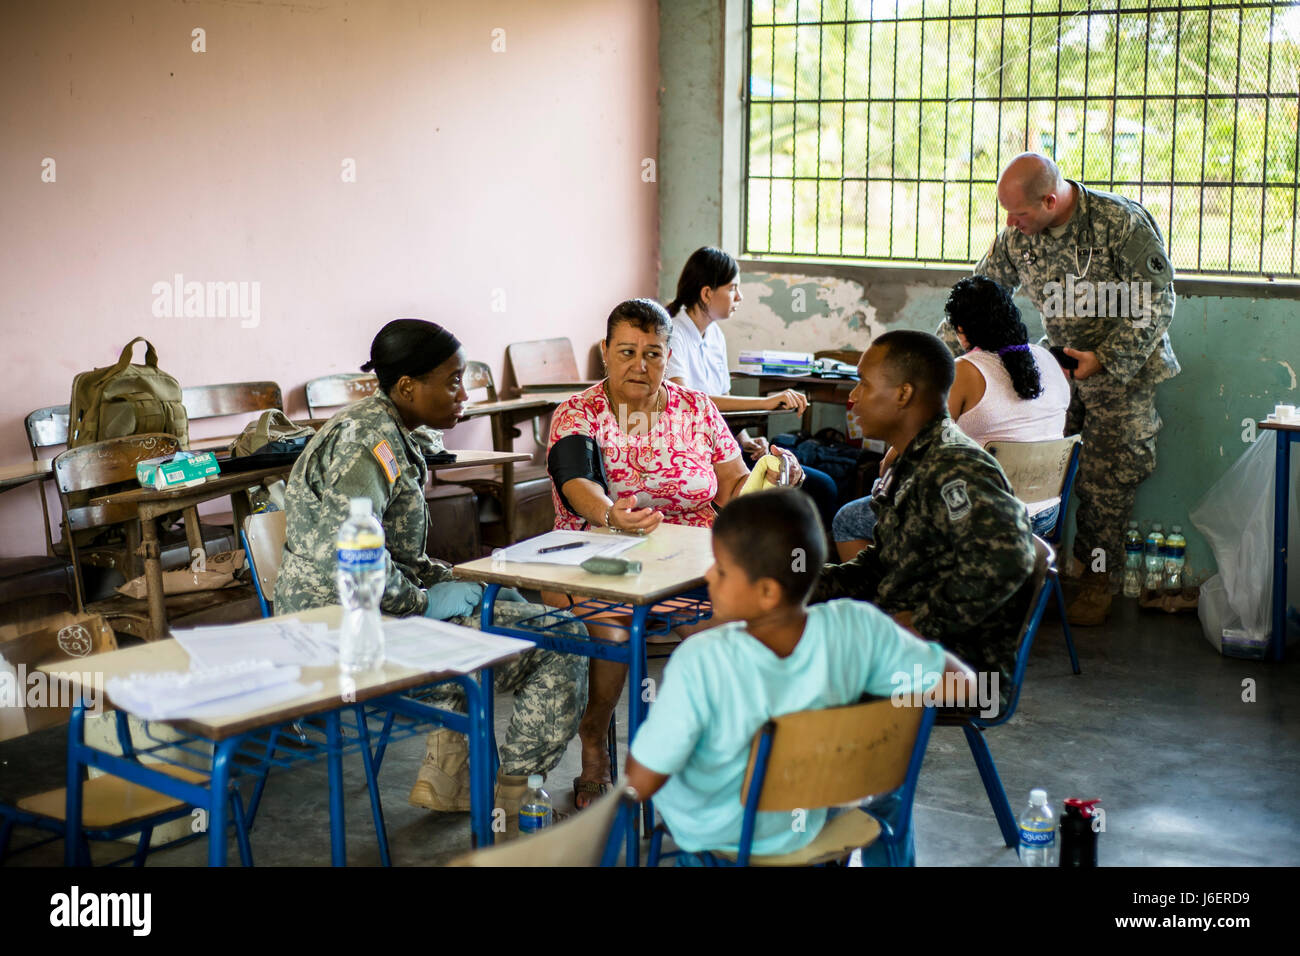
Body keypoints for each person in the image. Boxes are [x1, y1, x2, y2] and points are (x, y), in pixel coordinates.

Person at [275, 319, 587, 837]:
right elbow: (347, 557)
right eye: (452, 381)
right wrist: (421, 602)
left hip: (372, 610)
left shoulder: (390, 430)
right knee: (564, 639)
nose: (463, 393)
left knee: (511, 605)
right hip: (343, 627)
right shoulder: (367, 442)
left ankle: (452, 771)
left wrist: (460, 581)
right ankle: (513, 797)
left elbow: (392, 552)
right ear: (406, 388)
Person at [546, 297, 805, 808]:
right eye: (626, 352)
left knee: (736, 634)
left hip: (692, 562)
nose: (639, 366)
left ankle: (715, 756)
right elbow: (576, 481)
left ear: (669, 355)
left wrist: (771, 476)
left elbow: (731, 487)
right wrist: (609, 515)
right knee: (615, 632)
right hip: (601, 557)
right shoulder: (579, 412)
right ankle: (595, 742)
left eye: (653, 354)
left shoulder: (695, 409)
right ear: (605, 351)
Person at [624, 489, 976, 863]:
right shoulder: (861, 627)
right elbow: (963, 685)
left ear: (766, 592)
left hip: (723, 839)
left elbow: (641, 783)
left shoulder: (700, 661)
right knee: (891, 795)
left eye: (722, 569)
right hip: (811, 817)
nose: (709, 574)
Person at [944, 152, 1179, 626]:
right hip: (1058, 371)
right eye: (1007, 213)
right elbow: (980, 295)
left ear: (1050, 200)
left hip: (1122, 375)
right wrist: (934, 362)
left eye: (1020, 214)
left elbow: (1159, 298)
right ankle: (1035, 575)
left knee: (1106, 483)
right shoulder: (1017, 236)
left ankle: (1095, 581)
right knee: (1039, 471)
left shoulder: (1118, 222)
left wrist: (1107, 359)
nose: (1010, 223)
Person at [809, 330, 1037, 707]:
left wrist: (922, 622)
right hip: (907, 643)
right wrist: (802, 587)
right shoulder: (912, 460)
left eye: (863, 384)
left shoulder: (955, 466)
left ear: (904, 393)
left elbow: (1009, 558)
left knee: (781, 667)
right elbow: (880, 564)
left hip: (962, 669)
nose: (852, 398)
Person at [833, 276, 1070, 559]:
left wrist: (885, 467)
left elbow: (908, 449)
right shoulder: (1048, 360)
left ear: (961, 331)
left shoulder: (965, 372)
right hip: (1045, 517)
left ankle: (890, 600)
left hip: (980, 521)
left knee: (846, 521)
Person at [664, 246, 841, 529]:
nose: (739, 297)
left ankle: (798, 563)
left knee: (820, 484)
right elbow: (689, 401)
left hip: (723, 447)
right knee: (818, 488)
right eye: (733, 288)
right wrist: (765, 403)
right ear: (707, 293)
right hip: (692, 452)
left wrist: (745, 440)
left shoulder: (714, 335)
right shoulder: (673, 332)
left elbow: (724, 403)